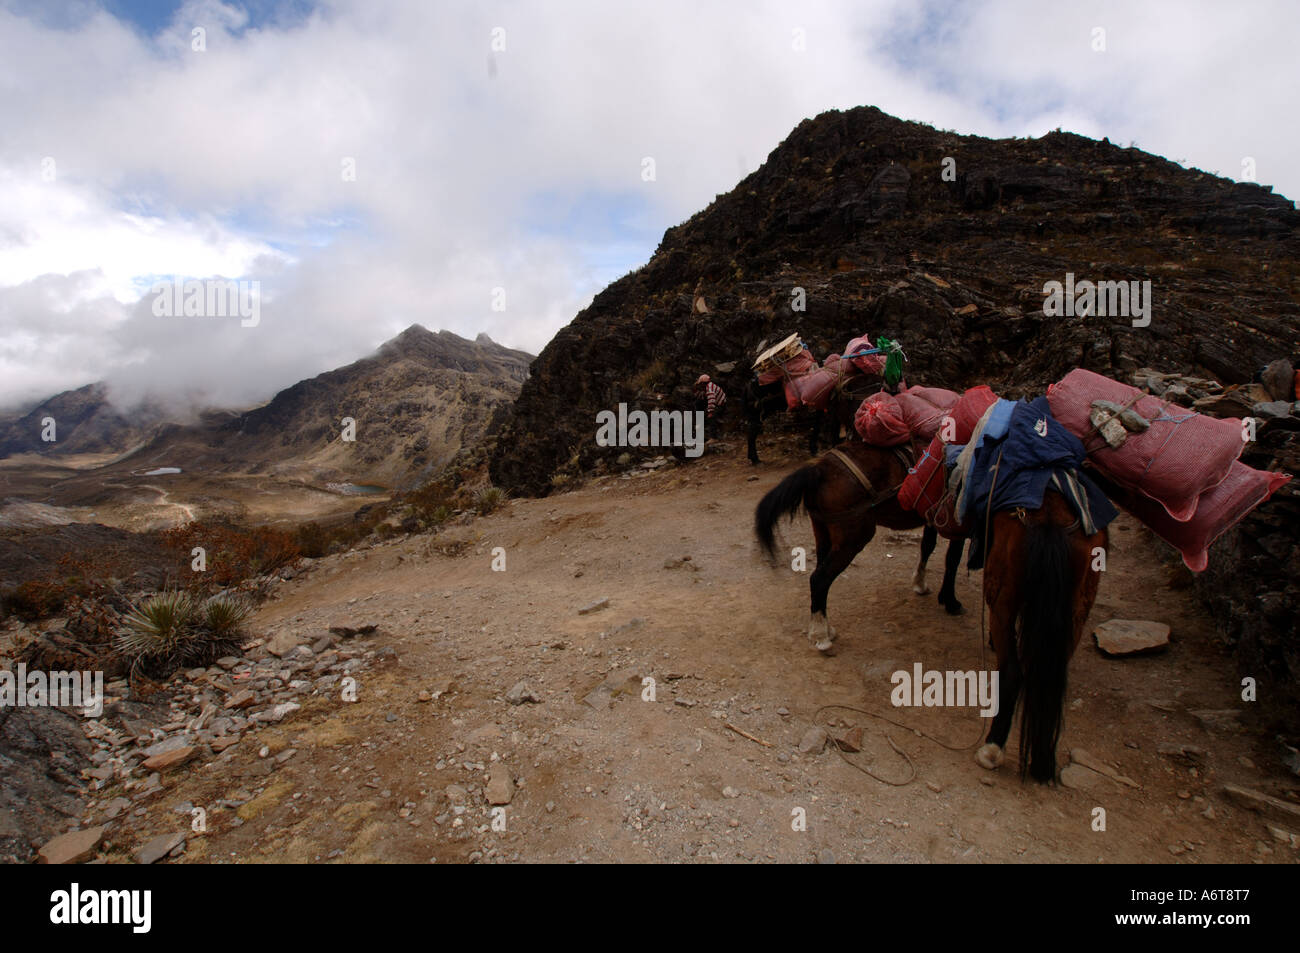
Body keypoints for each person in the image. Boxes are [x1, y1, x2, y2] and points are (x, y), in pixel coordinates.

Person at [694, 374, 727, 443]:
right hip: (718, 402)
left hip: (720, 404)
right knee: (698, 402)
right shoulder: (709, 385)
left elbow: (712, 400)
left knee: (711, 418)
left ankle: (713, 437)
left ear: (703, 383)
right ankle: (700, 420)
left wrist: (710, 412)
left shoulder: (709, 388)